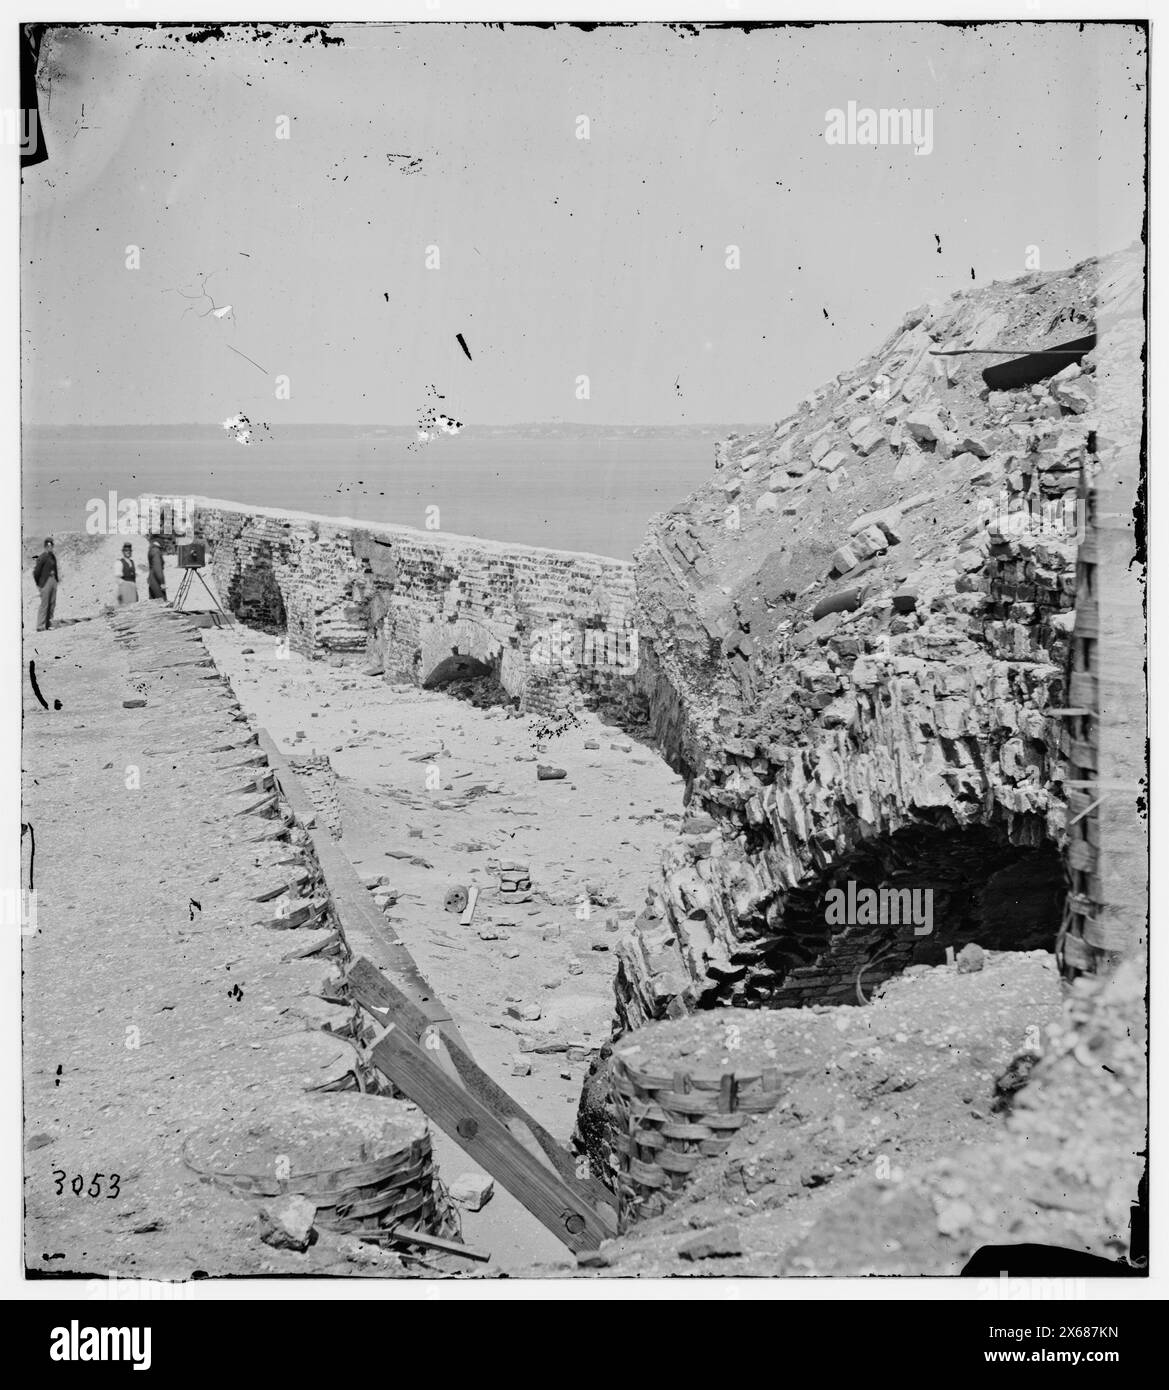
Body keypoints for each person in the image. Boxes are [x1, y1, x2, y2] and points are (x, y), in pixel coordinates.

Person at [33, 537, 58, 631]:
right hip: (45, 582)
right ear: (45, 547)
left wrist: (56, 580)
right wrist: (39, 585)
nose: (50, 548)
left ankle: (49, 624)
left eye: (51, 546)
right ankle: (40, 625)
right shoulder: (42, 557)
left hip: (53, 580)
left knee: (52, 603)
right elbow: (36, 572)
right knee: (44, 604)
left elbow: (55, 568)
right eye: (48, 546)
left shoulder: (53, 556)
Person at [146, 534, 167, 601]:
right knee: (162, 603)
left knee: (153, 604)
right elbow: (158, 569)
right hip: (156, 581)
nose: (164, 541)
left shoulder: (152, 549)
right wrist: (162, 583)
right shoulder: (156, 551)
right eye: (163, 539)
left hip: (152, 580)